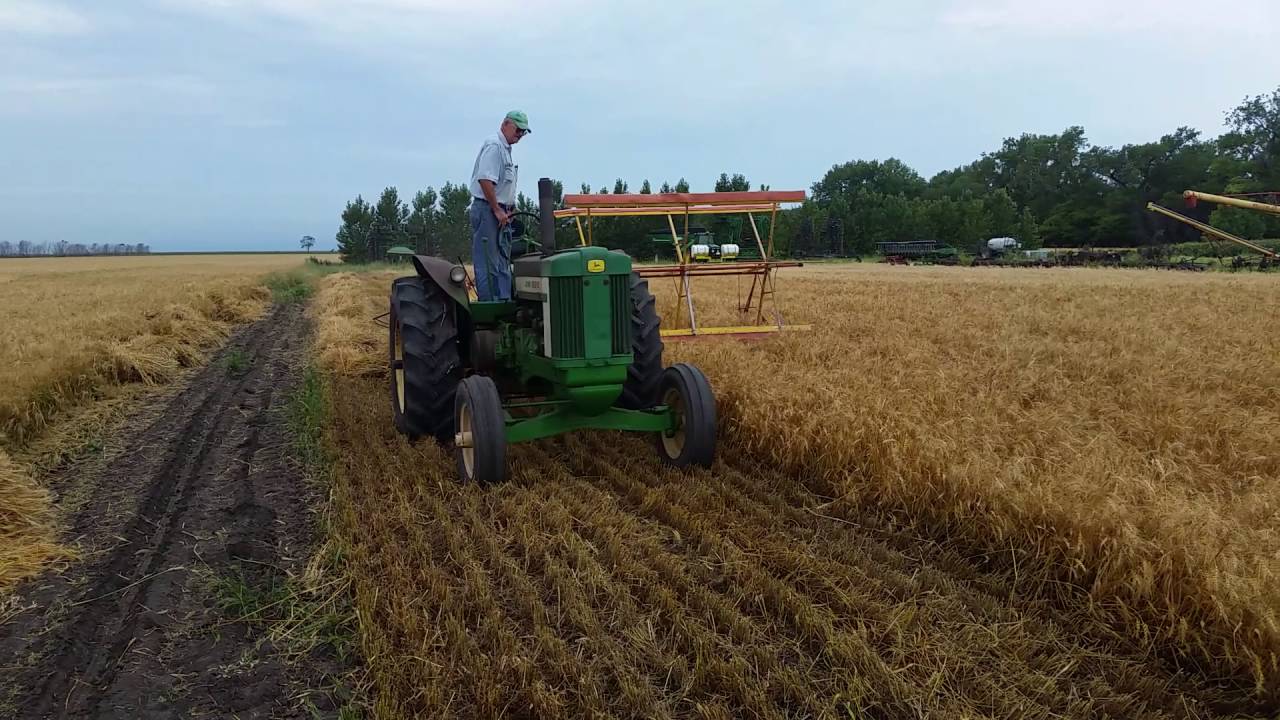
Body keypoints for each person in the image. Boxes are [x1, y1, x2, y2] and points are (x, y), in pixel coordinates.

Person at [469, 110, 531, 301]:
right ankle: (490, 306)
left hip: (502, 212)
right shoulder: (494, 146)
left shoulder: (505, 150)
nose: (520, 135)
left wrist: (508, 208)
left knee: (503, 261)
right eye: (518, 130)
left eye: (523, 132)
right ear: (505, 124)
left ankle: (505, 301)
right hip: (488, 210)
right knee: (488, 262)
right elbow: (485, 180)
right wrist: (496, 209)